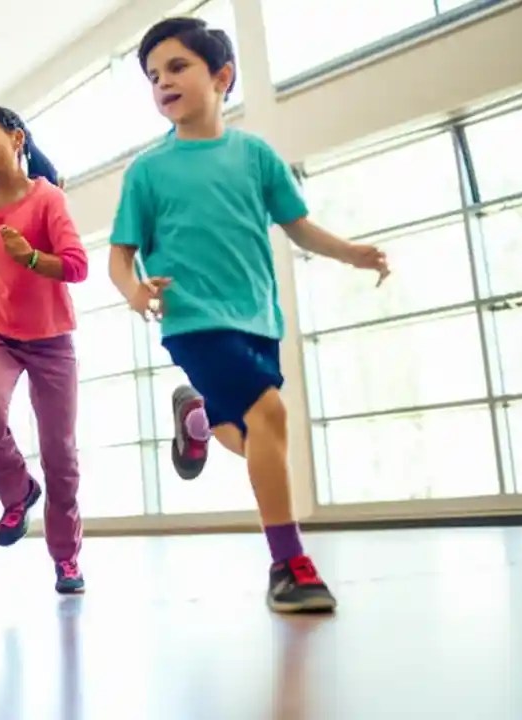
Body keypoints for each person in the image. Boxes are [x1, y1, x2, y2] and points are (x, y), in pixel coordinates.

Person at [108, 17, 391, 613]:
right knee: (272, 414)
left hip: (258, 317)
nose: (163, 82)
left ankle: (198, 420)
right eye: (153, 76)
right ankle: (288, 564)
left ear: (222, 75)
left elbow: (299, 227)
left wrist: (352, 253)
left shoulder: (256, 155)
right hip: (191, 318)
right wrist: (135, 291)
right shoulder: (148, 171)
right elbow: (120, 256)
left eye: (178, 67)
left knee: (261, 430)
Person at [0, 105, 89, 594]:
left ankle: (66, 559)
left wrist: (30, 257)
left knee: (60, 455)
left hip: (51, 341)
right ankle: (17, 490)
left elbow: (76, 266)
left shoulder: (48, 199)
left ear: (17, 138)